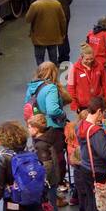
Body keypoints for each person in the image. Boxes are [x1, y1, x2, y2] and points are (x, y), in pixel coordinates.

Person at [26, 62, 70, 202]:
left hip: (36, 128)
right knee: (57, 160)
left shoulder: (31, 88)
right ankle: (56, 192)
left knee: (42, 161)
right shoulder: (50, 88)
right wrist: (62, 115)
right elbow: (52, 110)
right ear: (53, 73)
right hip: (52, 130)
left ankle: (46, 191)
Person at [25, 0, 66, 67]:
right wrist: (63, 33)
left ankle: (42, 76)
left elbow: (28, 19)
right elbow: (63, 20)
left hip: (39, 37)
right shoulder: (57, 4)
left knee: (40, 59)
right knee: (53, 58)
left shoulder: (35, 5)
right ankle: (53, 74)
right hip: (53, 36)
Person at [66, 44, 106, 115]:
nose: (89, 61)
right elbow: (71, 88)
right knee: (84, 125)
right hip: (83, 106)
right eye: (87, 59)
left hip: (98, 103)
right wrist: (74, 105)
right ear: (82, 57)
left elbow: (105, 85)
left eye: (91, 59)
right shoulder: (74, 68)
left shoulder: (99, 66)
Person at [44, 0, 73, 65]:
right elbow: (70, 0)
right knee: (65, 35)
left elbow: (55, 6)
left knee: (60, 37)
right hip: (67, 14)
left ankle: (63, 57)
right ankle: (65, 55)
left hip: (59, 17)